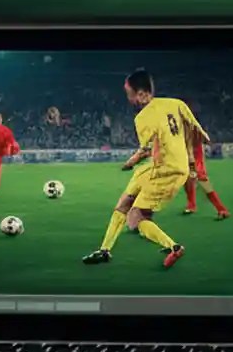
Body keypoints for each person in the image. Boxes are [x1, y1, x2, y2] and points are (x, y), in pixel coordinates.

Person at [83, 70, 205, 268]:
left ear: (141, 94)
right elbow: (196, 128)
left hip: (166, 172)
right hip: (160, 167)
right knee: (124, 203)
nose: (129, 99)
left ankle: (173, 247)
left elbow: (145, 150)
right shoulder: (175, 103)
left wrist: (130, 162)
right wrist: (195, 150)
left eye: (129, 94)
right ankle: (104, 250)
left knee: (136, 218)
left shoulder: (143, 118)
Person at [183, 119, 230, 219]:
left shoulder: (191, 130)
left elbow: (194, 146)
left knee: (203, 183)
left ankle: (222, 210)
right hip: (188, 159)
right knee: (188, 182)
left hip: (194, 161)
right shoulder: (186, 131)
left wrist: (191, 162)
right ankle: (191, 205)